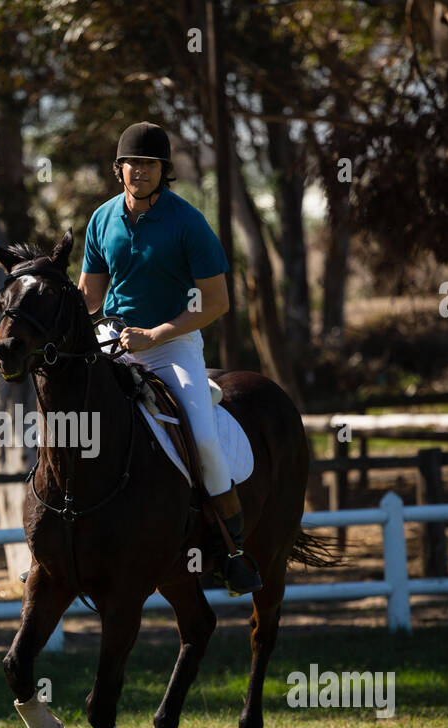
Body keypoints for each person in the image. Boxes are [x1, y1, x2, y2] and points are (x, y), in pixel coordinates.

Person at [78, 120, 263, 596]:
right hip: (111, 340)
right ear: (118, 169)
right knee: (70, 419)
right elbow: (89, 298)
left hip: (174, 345)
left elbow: (216, 302)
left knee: (202, 439)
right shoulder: (101, 220)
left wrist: (156, 334)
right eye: (131, 163)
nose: (138, 171)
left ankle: (231, 550)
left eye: (149, 164)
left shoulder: (187, 222)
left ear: (164, 171)